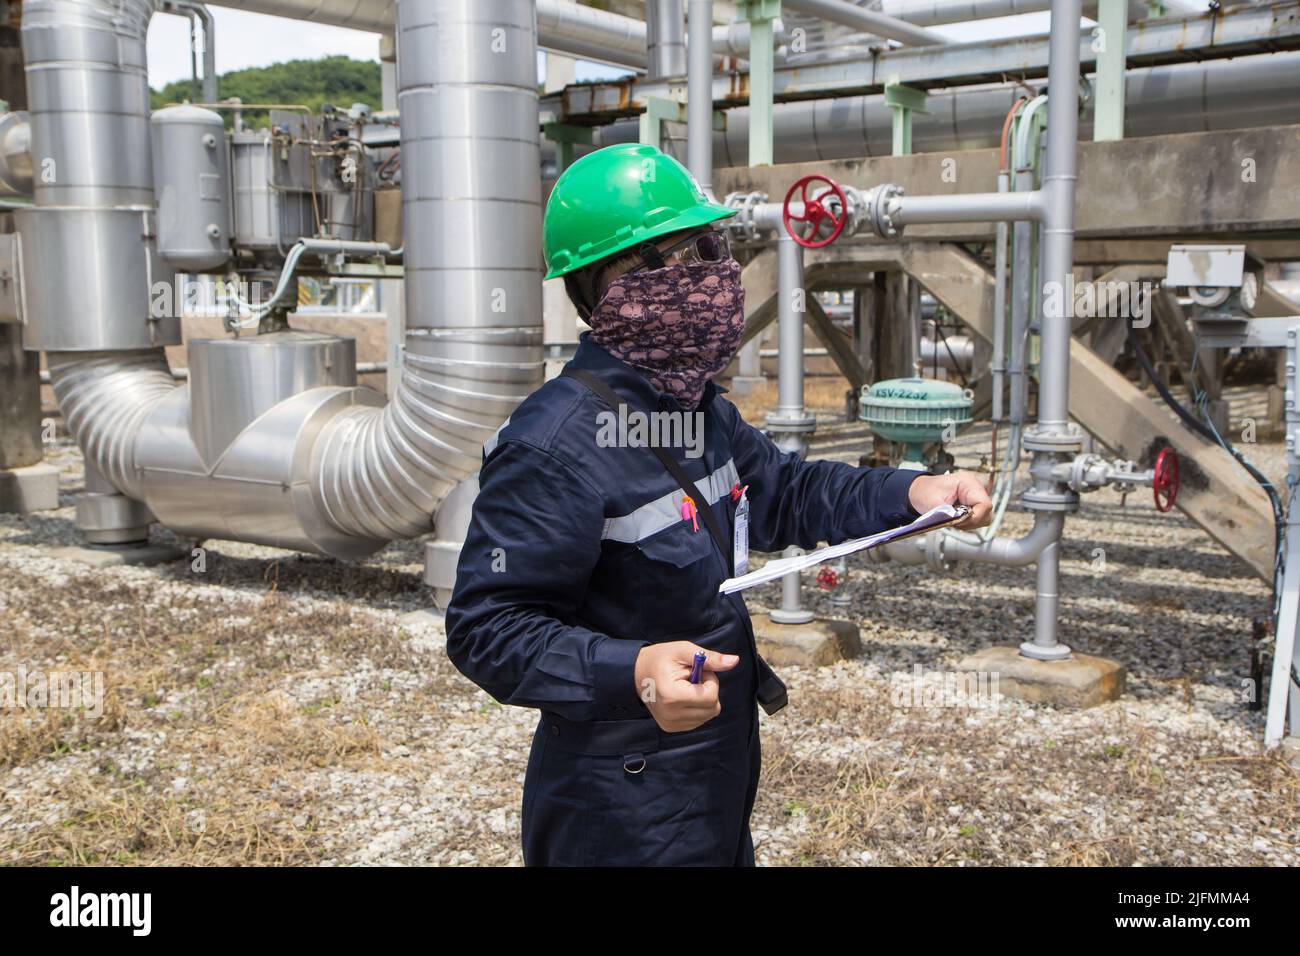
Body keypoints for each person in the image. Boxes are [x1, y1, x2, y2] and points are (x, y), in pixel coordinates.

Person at [445, 143, 991, 866]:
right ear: (599, 293)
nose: (698, 280)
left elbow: (787, 494)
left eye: (703, 251)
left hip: (713, 774)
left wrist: (910, 491)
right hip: (617, 802)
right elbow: (487, 627)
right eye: (660, 264)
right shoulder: (553, 445)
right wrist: (633, 673)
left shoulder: (696, 411)